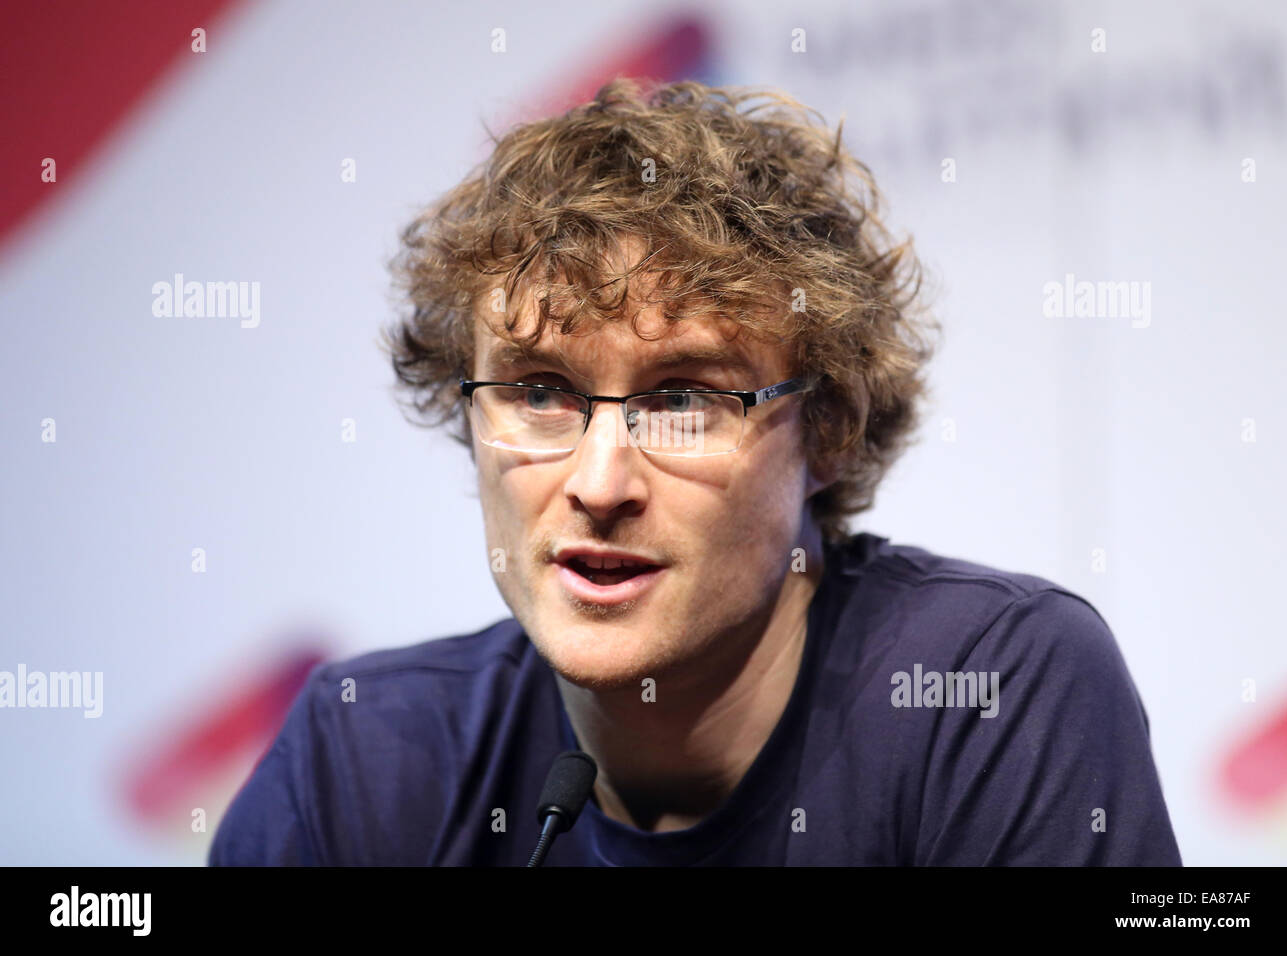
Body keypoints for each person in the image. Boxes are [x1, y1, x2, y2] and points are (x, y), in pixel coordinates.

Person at [208, 78, 1181, 865]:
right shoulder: (361, 759)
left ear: (828, 428)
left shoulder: (982, 692)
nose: (599, 484)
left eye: (681, 401)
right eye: (540, 392)